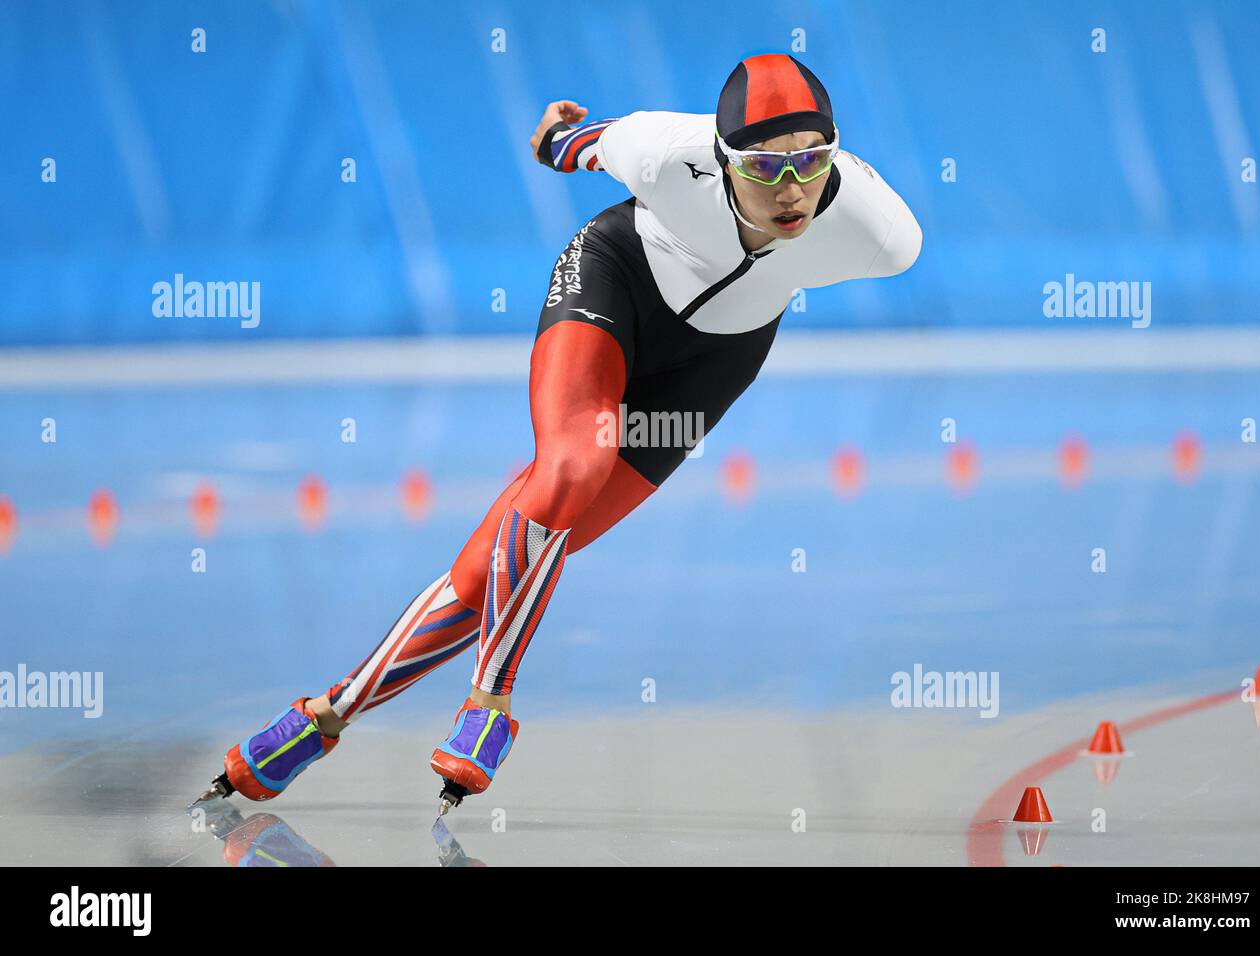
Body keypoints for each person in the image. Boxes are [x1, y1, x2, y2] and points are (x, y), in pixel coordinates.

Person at [194, 53, 922, 812]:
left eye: (810, 159)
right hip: (617, 284)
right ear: (719, 156)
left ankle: (324, 716)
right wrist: (555, 134)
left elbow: (839, 203)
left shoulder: (880, 232)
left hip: (711, 363)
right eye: (762, 165)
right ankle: (491, 702)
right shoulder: (664, 151)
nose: (791, 186)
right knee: (573, 466)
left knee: (504, 567)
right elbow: (572, 144)